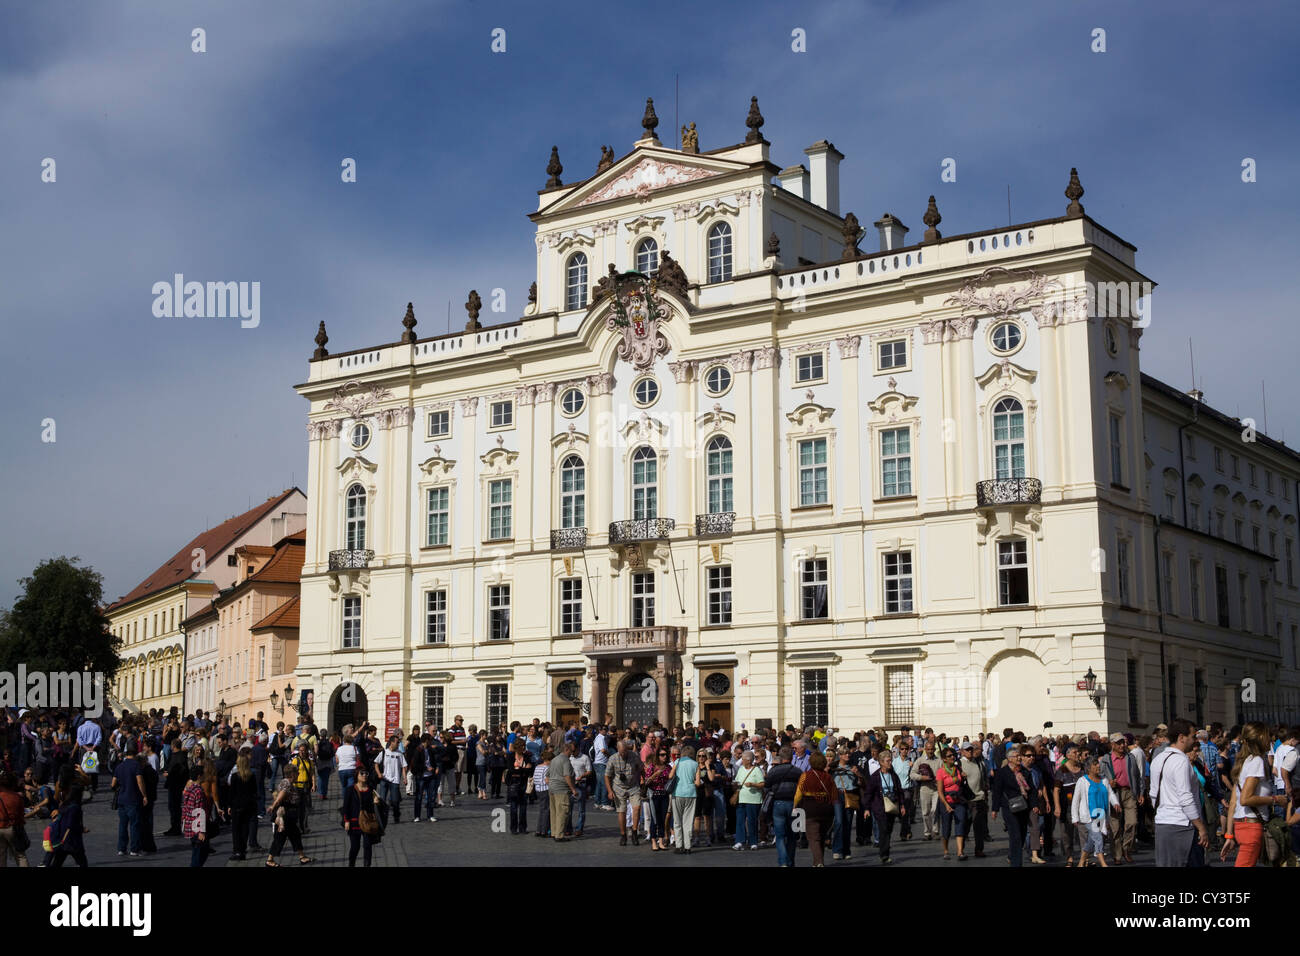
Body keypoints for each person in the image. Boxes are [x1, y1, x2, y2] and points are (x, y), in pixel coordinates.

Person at [1222, 721, 1287, 867]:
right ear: (1260, 738)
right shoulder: (1257, 761)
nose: (1271, 739)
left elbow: (1234, 802)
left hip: (1242, 825)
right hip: (1251, 827)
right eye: (1268, 735)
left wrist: (1229, 835)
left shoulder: (1245, 761)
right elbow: (1245, 799)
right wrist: (1275, 799)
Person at [1148, 718, 1210, 867]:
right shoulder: (1181, 761)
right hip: (1182, 826)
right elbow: (1186, 798)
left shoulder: (1158, 759)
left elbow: (1153, 794)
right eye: (1193, 737)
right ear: (1181, 737)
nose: (1195, 741)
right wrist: (1201, 827)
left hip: (1163, 823)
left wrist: (1163, 811)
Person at [991, 745, 1041, 867]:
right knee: (1016, 835)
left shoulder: (1024, 771)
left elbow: (1032, 790)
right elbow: (997, 791)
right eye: (1016, 756)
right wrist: (995, 809)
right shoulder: (1002, 773)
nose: (1019, 758)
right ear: (1009, 759)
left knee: (1022, 834)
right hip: (1010, 808)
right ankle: (1016, 863)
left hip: (1024, 806)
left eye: (1019, 756)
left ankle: (1012, 856)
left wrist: (1034, 804)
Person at [1099, 732, 1144, 865]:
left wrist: (1141, 792)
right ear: (1112, 744)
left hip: (1129, 792)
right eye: (1119, 743)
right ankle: (1117, 854)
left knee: (1132, 822)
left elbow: (1138, 776)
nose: (1122, 745)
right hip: (1114, 794)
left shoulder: (1130, 757)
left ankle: (1126, 849)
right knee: (1115, 827)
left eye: (1123, 742)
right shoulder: (1106, 759)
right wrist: (1108, 783)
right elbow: (1100, 777)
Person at [1072, 756, 1119, 868]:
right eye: (1095, 764)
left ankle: (1081, 862)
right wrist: (1075, 817)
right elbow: (1075, 800)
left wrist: (1115, 803)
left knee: (1090, 841)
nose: (1098, 766)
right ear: (1089, 768)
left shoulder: (1104, 780)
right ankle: (1103, 863)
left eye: (1098, 763)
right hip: (1089, 816)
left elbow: (1110, 793)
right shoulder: (1082, 781)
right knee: (1098, 837)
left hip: (1101, 815)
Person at [265, 757, 312, 867]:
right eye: (297, 773)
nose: (298, 774)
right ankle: (269, 860)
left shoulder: (287, 782)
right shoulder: (287, 784)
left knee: (295, 835)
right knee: (279, 838)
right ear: (292, 774)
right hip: (285, 815)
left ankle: (302, 856)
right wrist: (273, 806)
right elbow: (280, 798)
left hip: (289, 815)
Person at [794, 751, 837, 867]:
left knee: (813, 838)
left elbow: (798, 793)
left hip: (810, 809)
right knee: (821, 837)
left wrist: (795, 806)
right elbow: (834, 794)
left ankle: (818, 862)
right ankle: (817, 861)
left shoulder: (805, 775)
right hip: (827, 810)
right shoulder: (828, 777)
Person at [862, 749, 903, 864]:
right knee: (883, 829)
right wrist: (866, 808)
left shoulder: (893, 775)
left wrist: (902, 805)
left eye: (890, 760)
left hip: (892, 805)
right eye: (887, 761)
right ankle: (884, 854)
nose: (890, 763)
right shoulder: (875, 776)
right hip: (879, 807)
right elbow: (868, 793)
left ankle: (885, 850)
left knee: (888, 830)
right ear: (881, 762)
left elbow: (899, 791)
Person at [605, 739, 644, 846]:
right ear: (618, 750)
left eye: (626, 751)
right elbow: (607, 776)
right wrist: (609, 791)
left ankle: (634, 832)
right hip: (619, 787)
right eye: (622, 752)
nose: (624, 754)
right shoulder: (613, 758)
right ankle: (623, 835)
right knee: (622, 811)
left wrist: (643, 780)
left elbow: (641, 768)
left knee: (637, 807)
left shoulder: (634, 756)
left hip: (633, 786)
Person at [110, 744, 146, 857]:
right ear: (135, 755)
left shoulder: (119, 766)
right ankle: (134, 849)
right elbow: (140, 781)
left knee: (122, 825)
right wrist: (144, 795)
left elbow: (113, 784)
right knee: (134, 825)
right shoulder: (136, 765)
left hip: (121, 799)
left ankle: (121, 848)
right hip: (133, 798)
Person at [1053, 745, 1086, 866]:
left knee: (1083, 833)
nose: (1078, 754)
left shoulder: (1083, 768)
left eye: (1078, 752)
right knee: (1067, 834)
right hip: (1067, 807)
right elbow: (1056, 790)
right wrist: (1057, 807)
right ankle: (1069, 857)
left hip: (1082, 807)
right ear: (1067, 755)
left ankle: (1084, 858)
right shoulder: (1062, 770)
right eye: (1075, 752)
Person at [935, 747, 969, 861]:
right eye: (949, 756)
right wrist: (946, 804)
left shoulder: (957, 768)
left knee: (960, 824)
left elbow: (961, 783)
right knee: (946, 828)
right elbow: (940, 791)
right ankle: (946, 850)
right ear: (944, 759)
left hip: (959, 801)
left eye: (953, 755)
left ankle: (960, 852)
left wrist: (963, 776)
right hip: (947, 801)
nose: (952, 757)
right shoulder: (941, 772)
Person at [342, 766, 380, 867]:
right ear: (357, 776)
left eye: (366, 773)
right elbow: (346, 807)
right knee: (355, 847)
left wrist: (375, 802)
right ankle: (351, 863)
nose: (364, 775)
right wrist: (346, 821)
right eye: (362, 773)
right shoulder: (350, 790)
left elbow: (373, 807)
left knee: (368, 846)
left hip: (367, 821)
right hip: (354, 822)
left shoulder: (371, 789)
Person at [667, 744, 700, 854]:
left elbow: (670, 776)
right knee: (688, 821)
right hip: (691, 793)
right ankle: (687, 846)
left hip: (678, 792)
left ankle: (679, 845)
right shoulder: (696, 764)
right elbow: (698, 783)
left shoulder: (678, 762)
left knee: (677, 821)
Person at [228, 751, 260, 861]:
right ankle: (243, 849)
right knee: (245, 828)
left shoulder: (235, 777)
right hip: (249, 805)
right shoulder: (251, 776)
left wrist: (229, 805)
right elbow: (254, 791)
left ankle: (237, 850)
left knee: (236, 829)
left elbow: (232, 793)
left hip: (237, 805)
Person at [959, 740, 989, 857]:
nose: (970, 751)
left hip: (979, 798)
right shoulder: (959, 764)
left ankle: (979, 849)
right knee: (965, 825)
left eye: (971, 749)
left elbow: (983, 779)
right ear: (962, 751)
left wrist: (985, 793)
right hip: (966, 800)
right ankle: (961, 849)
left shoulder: (978, 762)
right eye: (967, 750)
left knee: (978, 826)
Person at [732, 749, 765, 851]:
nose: (742, 761)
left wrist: (753, 784)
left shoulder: (757, 770)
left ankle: (753, 842)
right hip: (741, 799)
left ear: (749, 760)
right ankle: (739, 841)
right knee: (740, 821)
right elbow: (737, 780)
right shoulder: (741, 769)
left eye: (743, 759)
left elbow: (762, 784)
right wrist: (735, 785)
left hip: (753, 800)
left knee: (752, 821)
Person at [830, 747, 858, 861]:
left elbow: (860, 781)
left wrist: (857, 774)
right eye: (845, 754)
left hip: (850, 795)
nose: (848, 755)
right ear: (840, 755)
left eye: (848, 753)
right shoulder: (834, 767)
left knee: (848, 823)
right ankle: (837, 850)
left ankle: (846, 850)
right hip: (838, 794)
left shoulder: (852, 767)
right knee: (839, 822)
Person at [181, 766, 212, 868]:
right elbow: (199, 811)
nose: (205, 776)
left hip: (190, 825)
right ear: (199, 776)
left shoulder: (189, 789)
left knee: (197, 852)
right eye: (203, 774)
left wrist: (184, 820)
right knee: (199, 854)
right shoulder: (198, 791)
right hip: (196, 827)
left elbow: (185, 807)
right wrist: (201, 831)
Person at [547, 742, 577, 843]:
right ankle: (559, 835)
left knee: (554, 812)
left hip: (552, 788)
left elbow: (547, 775)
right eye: (571, 751)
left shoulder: (554, 759)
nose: (572, 753)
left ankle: (554, 832)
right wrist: (573, 789)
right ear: (566, 750)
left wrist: (551, 784)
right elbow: (567, 776)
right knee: (562, 812)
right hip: (562, 789)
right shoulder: (565, 760)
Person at [374, 736, 406, 827]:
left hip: (395, 780)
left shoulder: (400, 754)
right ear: (391, 742)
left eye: (399, 742)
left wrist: (405, 778)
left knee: (395, 801)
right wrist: (379, 773)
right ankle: (381, 817)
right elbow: (376, 763)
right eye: (397, 742)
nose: (398, 744)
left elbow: (404, 766)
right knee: (382, 800)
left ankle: (396, 816)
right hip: (384, 780)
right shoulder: (384, 752)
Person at [912, 741, 941, 840]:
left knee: (935, 810)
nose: (930, 751)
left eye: (932, 749)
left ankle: (936, 831)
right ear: (925, 749)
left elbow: (943, 772)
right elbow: (912, 774)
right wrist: (921, 777)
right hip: (925, 788)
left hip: (936, 789)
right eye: (928, 749)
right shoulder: (920, 760)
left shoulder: (939, 761)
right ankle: (927, 832)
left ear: (934, 749)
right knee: (925, 812)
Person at [0, 771, 29, 867]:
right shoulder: (17, 797)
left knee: (1, 856)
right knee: (20, 856)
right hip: (13, 828)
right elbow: (21, 816)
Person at [645, 750, 672, 851]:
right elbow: (646, 782)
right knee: (654, 818)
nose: (664, 756)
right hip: (654, 795)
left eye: (666, 754)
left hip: (664, 795)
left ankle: (660, 841)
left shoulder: (668, 767)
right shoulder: (652, 767)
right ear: (658, 756)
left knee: (662, 818)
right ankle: (653, 841)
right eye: (662, 755)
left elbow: (671, 779)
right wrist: (655, 774)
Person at [503, 743, 532, 835]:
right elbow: (511, 770)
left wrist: (519, 768)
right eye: (522, 746)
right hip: (513, 783)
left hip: (524, 783)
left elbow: (530, 769)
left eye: (524, 746)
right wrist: (524, 769)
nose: (523, 748)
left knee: (523, 806)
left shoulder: (526, 756)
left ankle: (523, 828)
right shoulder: (510, 756)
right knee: (514, 806)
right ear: (517, 747)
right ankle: (513, 828)